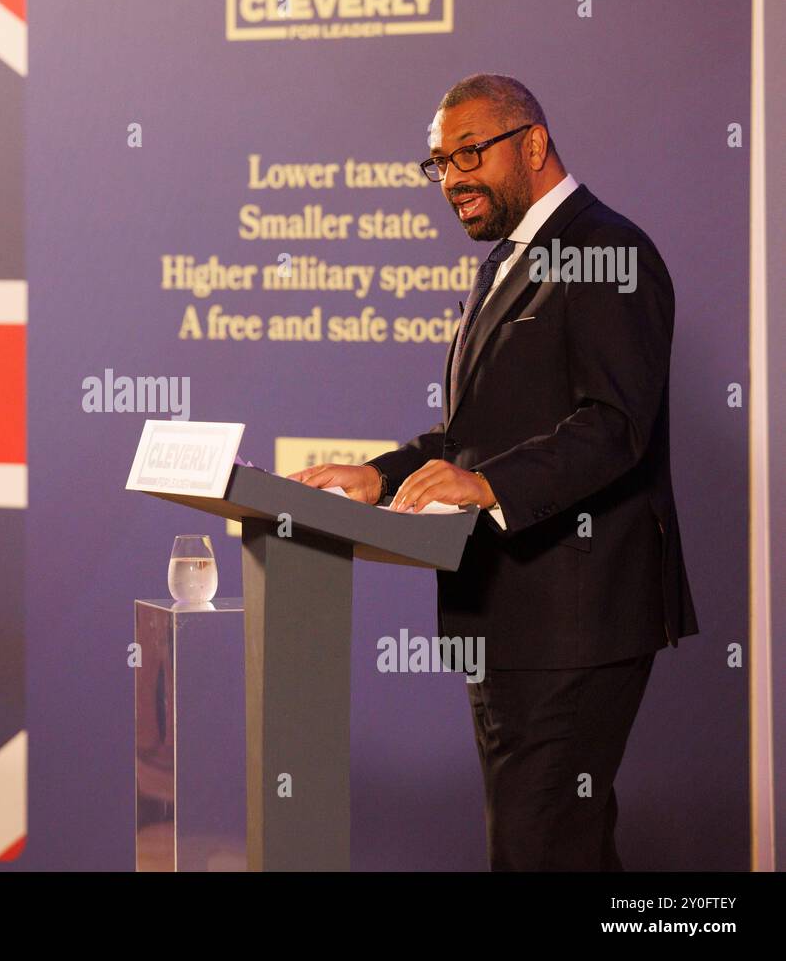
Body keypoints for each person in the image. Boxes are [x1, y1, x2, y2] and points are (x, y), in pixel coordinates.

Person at [289, 73, 698, 871]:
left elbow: (615, 427)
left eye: (470, 152)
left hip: (577, 621)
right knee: (557, 849)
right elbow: (477, 433)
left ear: (534, 144)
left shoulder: (609, 251)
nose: (452, 179)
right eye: (439, 163)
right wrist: (381, 474)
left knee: (539, 849)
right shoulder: (510, 259)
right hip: (511, 618)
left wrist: (489, 485)